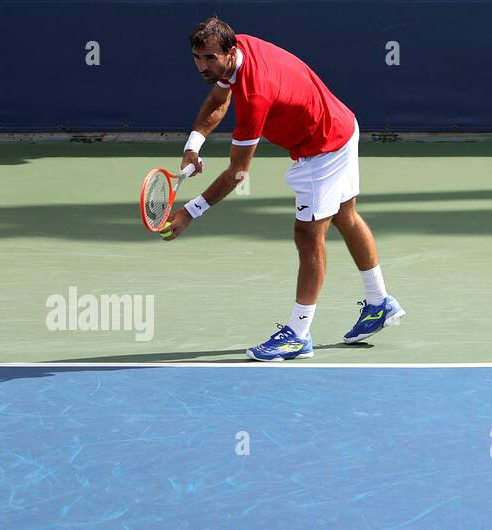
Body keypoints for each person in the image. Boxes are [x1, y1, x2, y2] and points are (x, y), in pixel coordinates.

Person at [162, 17, 405, 360]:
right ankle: (380, 301)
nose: (202, 66)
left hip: (322, 147)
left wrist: (190, 212)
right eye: (197, 58)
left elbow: (237, 173)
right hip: (342, 124)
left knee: (308, 235)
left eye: (210, 59)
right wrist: (193, 145)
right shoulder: (239, 47)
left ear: (230, 53)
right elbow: (218, 101)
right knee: (345, 216)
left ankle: (298, 333)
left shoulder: (254, 93)